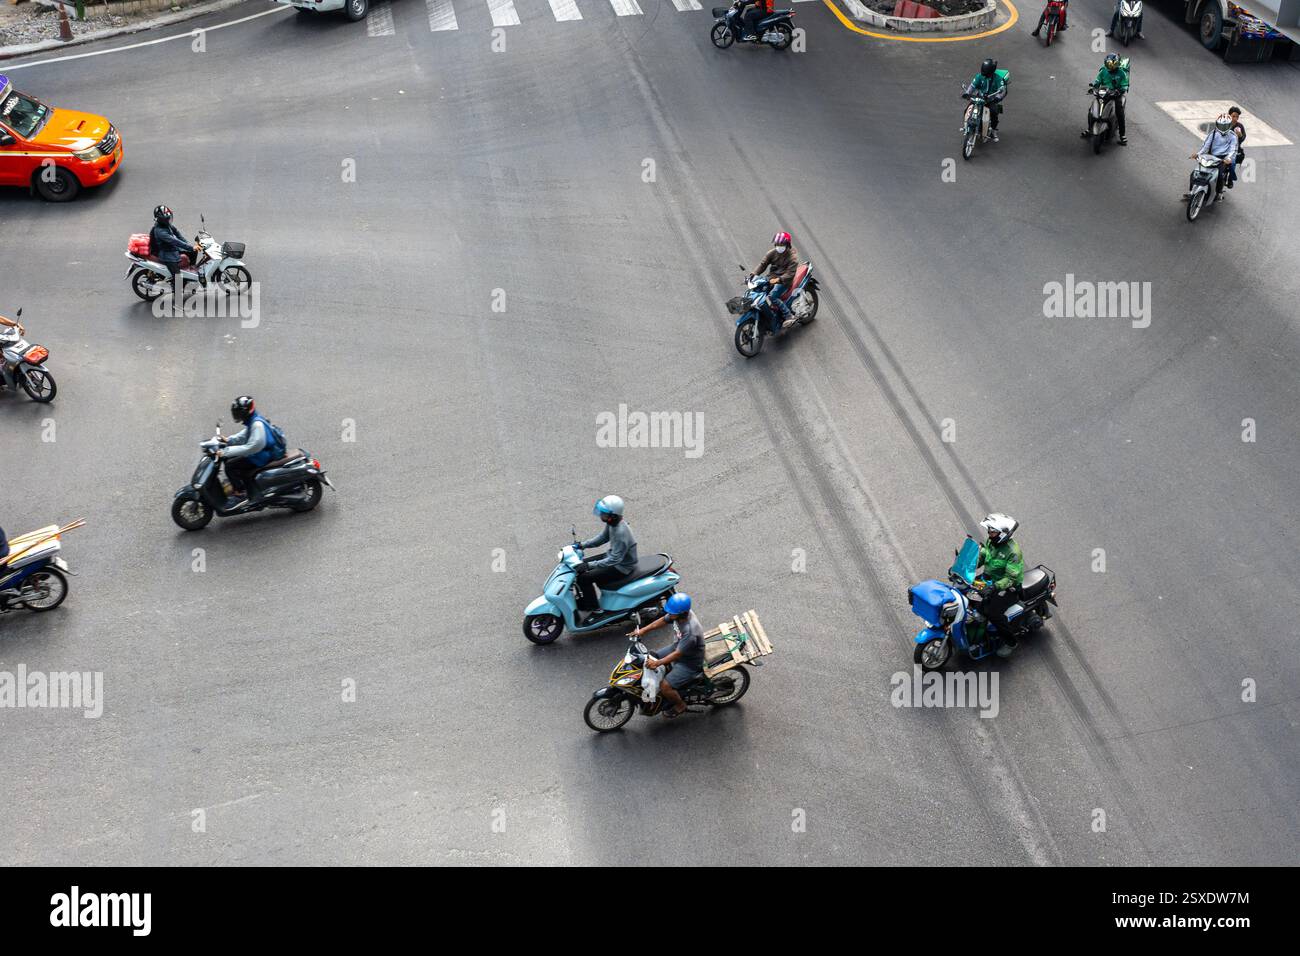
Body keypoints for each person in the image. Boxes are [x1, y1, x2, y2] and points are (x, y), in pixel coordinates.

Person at [631, 593, 704, 718]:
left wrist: (657, 663)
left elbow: (677, 654)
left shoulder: (690, 631)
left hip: (689, 662)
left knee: (665, 686)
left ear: (681, 613)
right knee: (651, 655)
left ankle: (680, 706)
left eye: (671, 613)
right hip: (678, 647)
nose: (669, 615)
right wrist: (643, 630)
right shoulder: (678, 615)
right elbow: (662, 620)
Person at [573, 495, 638, 621]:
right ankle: (585, 601)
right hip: (613, 557)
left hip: (622, 567)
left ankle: (596, 610)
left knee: (584, 578)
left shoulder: (620, 532)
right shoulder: (612, 524)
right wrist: (582, 545)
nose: (601, 515)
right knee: (578, 566)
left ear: (612, 515)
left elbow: (615, 560)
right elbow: (602, 538)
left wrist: (589, 566)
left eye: (604, 513)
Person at [976, 513, 1025, 656]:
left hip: (1009, 587)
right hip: (990, 579)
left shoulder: (1013, 552)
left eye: (993, 531)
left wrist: (994, 587)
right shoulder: (992, 541)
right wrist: (968, 564)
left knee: (993, 613)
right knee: (968, 594)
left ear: (1003, 534)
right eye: (989, 530)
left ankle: (1011, 642)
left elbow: (1010, 578)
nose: (989, 533)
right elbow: (984, 555)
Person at [218, 395, 286, 496]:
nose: (237, 415)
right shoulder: (253, 419)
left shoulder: (257, 425)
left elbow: (251, 448)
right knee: (231, 458)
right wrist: (229, 440)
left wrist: (226, 452)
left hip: (263, 456)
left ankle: (240, 491)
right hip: (262, 451)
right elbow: (245, 434)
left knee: (230, 466)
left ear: (246, 411)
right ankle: (240, 481)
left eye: (239, 413)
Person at [753, 231, 798, 333]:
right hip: (772, 278)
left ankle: (788, 315)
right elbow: (763, 264)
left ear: (787, 245)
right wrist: (754, 274)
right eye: (777, 244)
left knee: (772, 296)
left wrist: (779, 280)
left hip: (785, 281)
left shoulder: (792, 257)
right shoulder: (772, 253)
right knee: (758, 290)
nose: (779, 246)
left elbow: (790, 274)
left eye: (781, 244)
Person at [1191, 115, 1238, 202]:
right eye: (1221, 126)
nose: (1223, 128)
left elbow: (1233, 150)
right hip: (1211, 157)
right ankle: (1191, 191)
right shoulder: (1213, 133)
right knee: (1195, 172)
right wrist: (1197, 154)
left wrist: (1228, 159)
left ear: (1229, 126)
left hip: (1223, 159)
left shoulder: (1233, 136)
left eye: (1225, 126)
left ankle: (1219, 193)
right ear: (1217, 125)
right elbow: (1205, 146)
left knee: (1219, 175)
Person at [1086, 53, 1130, 146]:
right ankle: (1089, 129)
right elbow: (1097, 81)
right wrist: (1094, 88)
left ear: (1117, 64)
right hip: (1103, 93)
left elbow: (1125, 85)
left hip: (1115, 95)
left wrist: (1120, 90)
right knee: (1091, 110)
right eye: (1109, 64)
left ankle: (1122, 135)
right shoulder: (1103, 71)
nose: (1110, 66)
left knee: (1120, 114)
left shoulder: (1121, 73)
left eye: (1112, 64)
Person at [149, 205, 199, 280]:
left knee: (194, 251)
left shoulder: (166, 225)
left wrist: (189, 246)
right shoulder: (160, 232)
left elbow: (178, 235)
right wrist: (191, 247)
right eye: (167, 218)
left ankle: (188, 274)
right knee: (178, 277)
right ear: (162, 220)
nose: (169, 219)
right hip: (166, 254)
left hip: (170, 248)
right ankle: (177, 290)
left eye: (169, 217)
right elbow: (175, 241)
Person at [964, 59, 1008, 143]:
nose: (984, 74)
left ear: (991, 72)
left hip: (991, 99)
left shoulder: (998, 79)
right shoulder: (979, 76)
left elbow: (1002, 90)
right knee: (967, 109)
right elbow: (972, 86)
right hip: (980, 97)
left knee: (994, 113)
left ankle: (994, 132)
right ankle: (966, 126)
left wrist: (997, 97)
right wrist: (967, 93)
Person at [1227, 106, 1246, 188]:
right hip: (1221, 147)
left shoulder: (1240, 126)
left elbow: (1242, 139)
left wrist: (1240, 136)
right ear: (1229, 115)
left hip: (1233, 150)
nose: (1235, 118)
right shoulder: (1224, 124)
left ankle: (1230, 179)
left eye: (1237, 117)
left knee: (1232, 163)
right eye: (1233, 116)